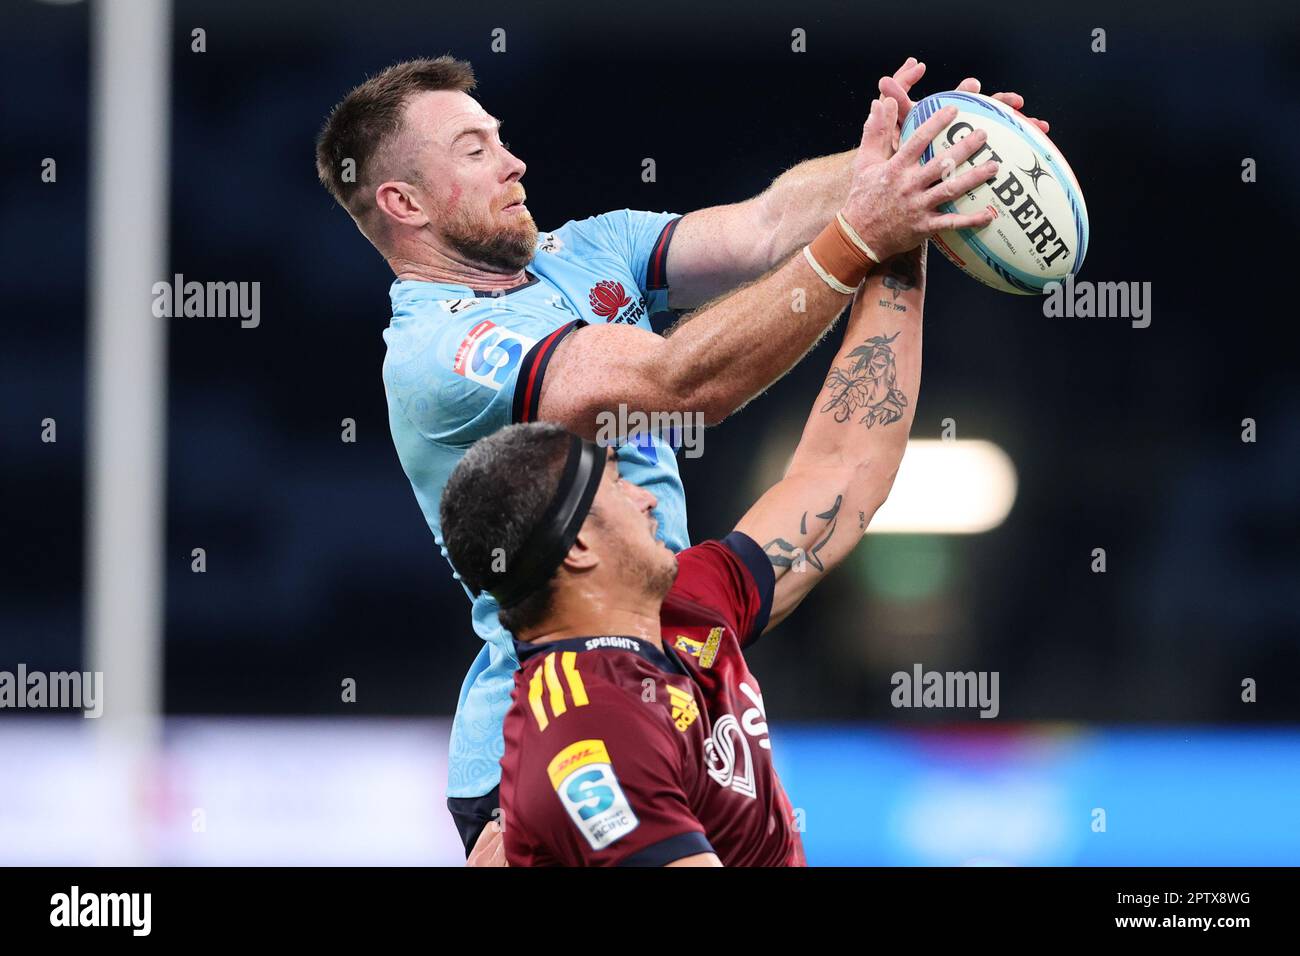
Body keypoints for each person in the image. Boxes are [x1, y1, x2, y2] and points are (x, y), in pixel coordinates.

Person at [314, 54, 1039, 855]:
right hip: (553, 715)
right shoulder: (436, 354)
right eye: (473, 149)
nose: (513, 159)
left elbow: (767, 226)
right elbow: (681, 380)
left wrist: (920, 154)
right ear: (401, 201)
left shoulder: (585, 250)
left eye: (500, 136)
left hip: (674, 638)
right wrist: (868, 229)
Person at [440, 158, 958, 862]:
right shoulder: (585, 735)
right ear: (580, 551)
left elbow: (843, 472)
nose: (649, 493)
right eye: (617, 489)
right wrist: (860, 236)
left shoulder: (685, 604)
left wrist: (901, 246)